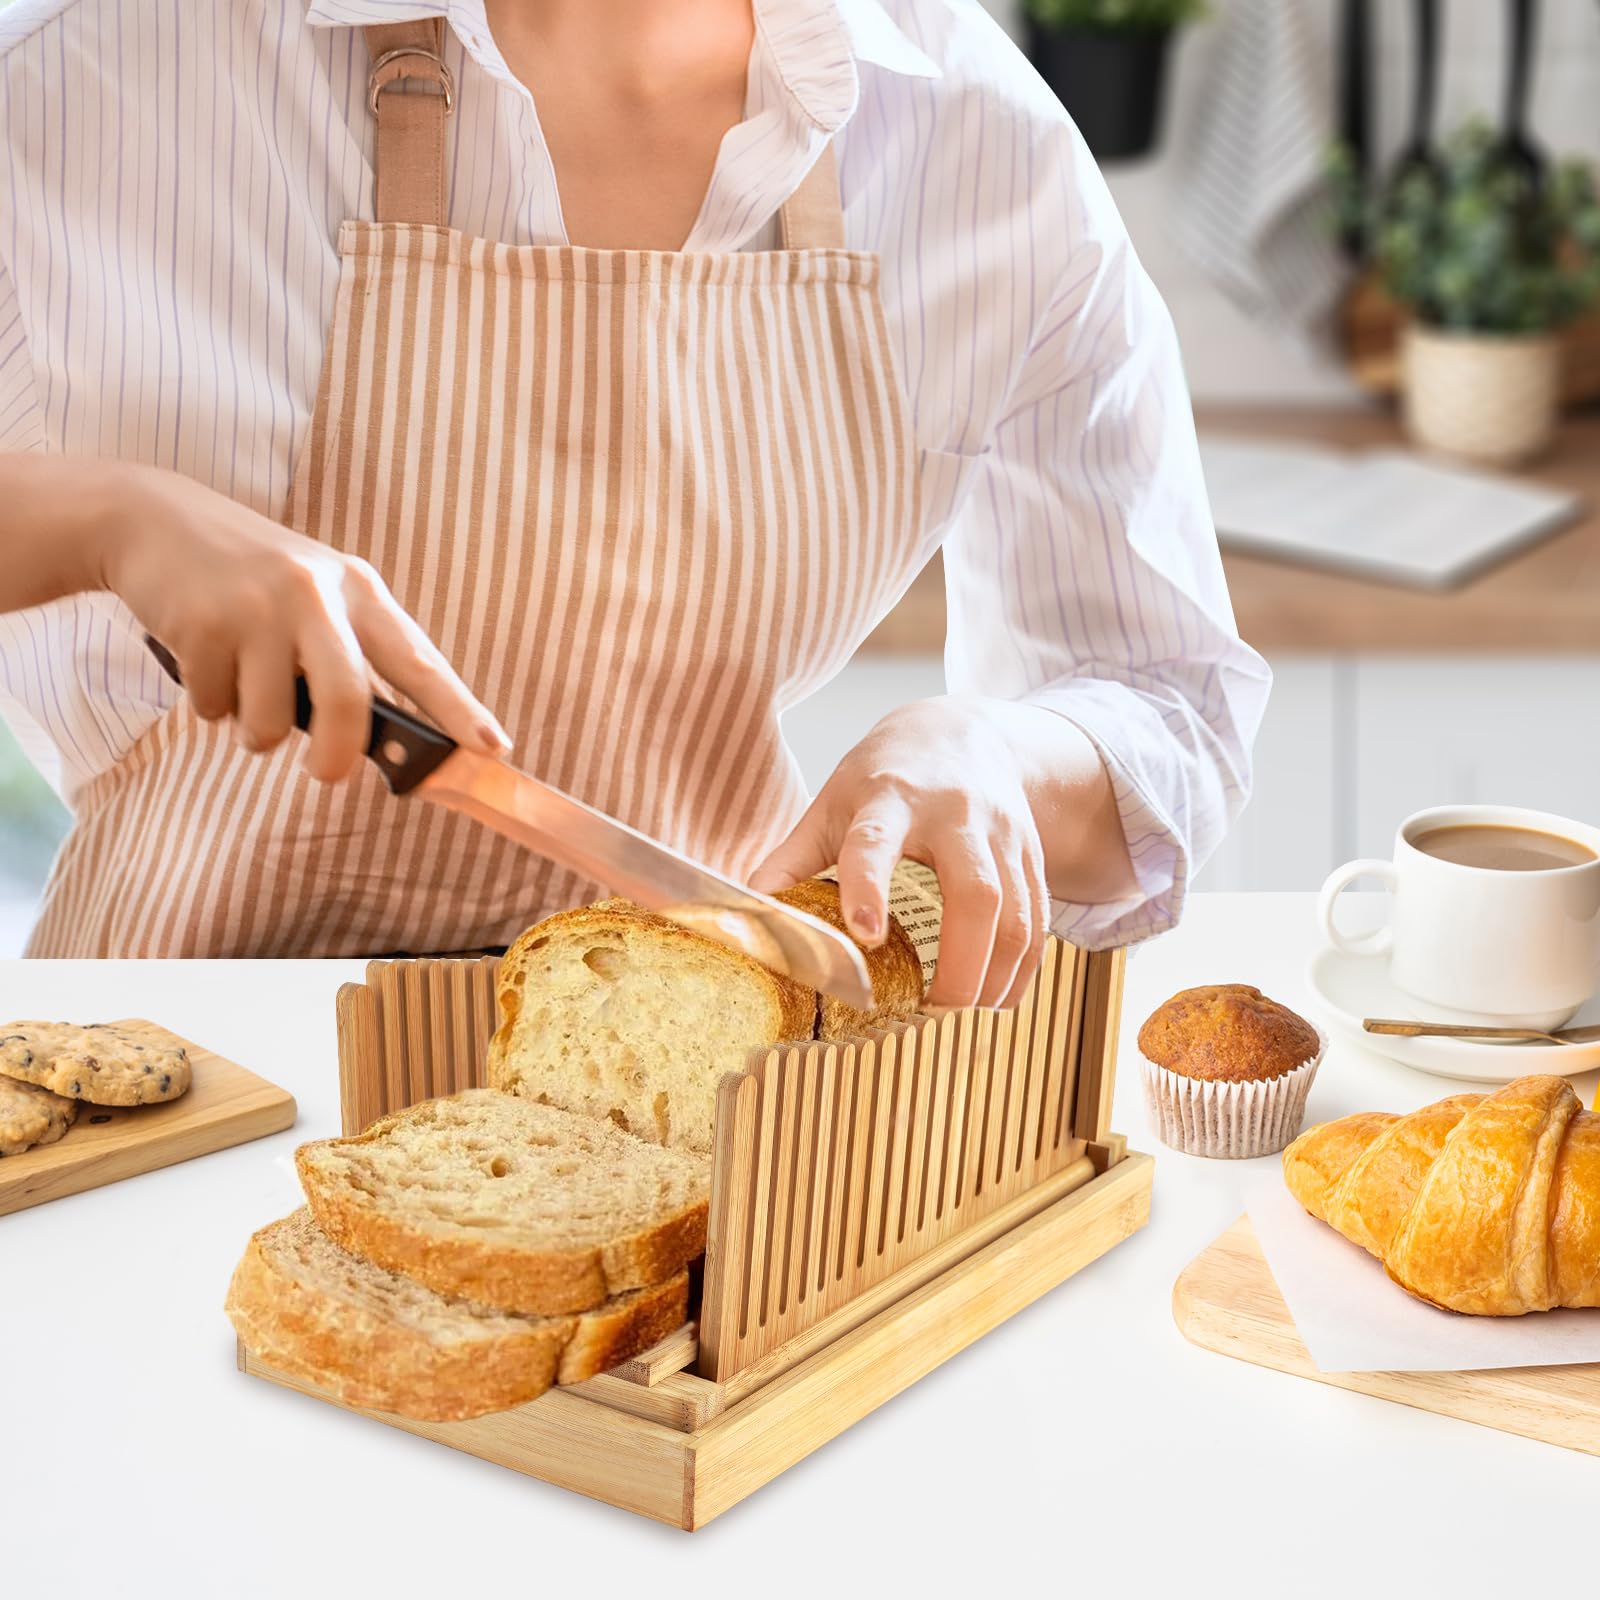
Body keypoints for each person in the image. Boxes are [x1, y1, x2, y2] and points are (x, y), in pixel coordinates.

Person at [0, 0, 1269, 1009]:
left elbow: (1169, 698)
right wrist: (108, 518)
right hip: (175, 1061)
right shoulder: (86, 78)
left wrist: (996, 756)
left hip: (682, 1076)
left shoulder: (979, 145)